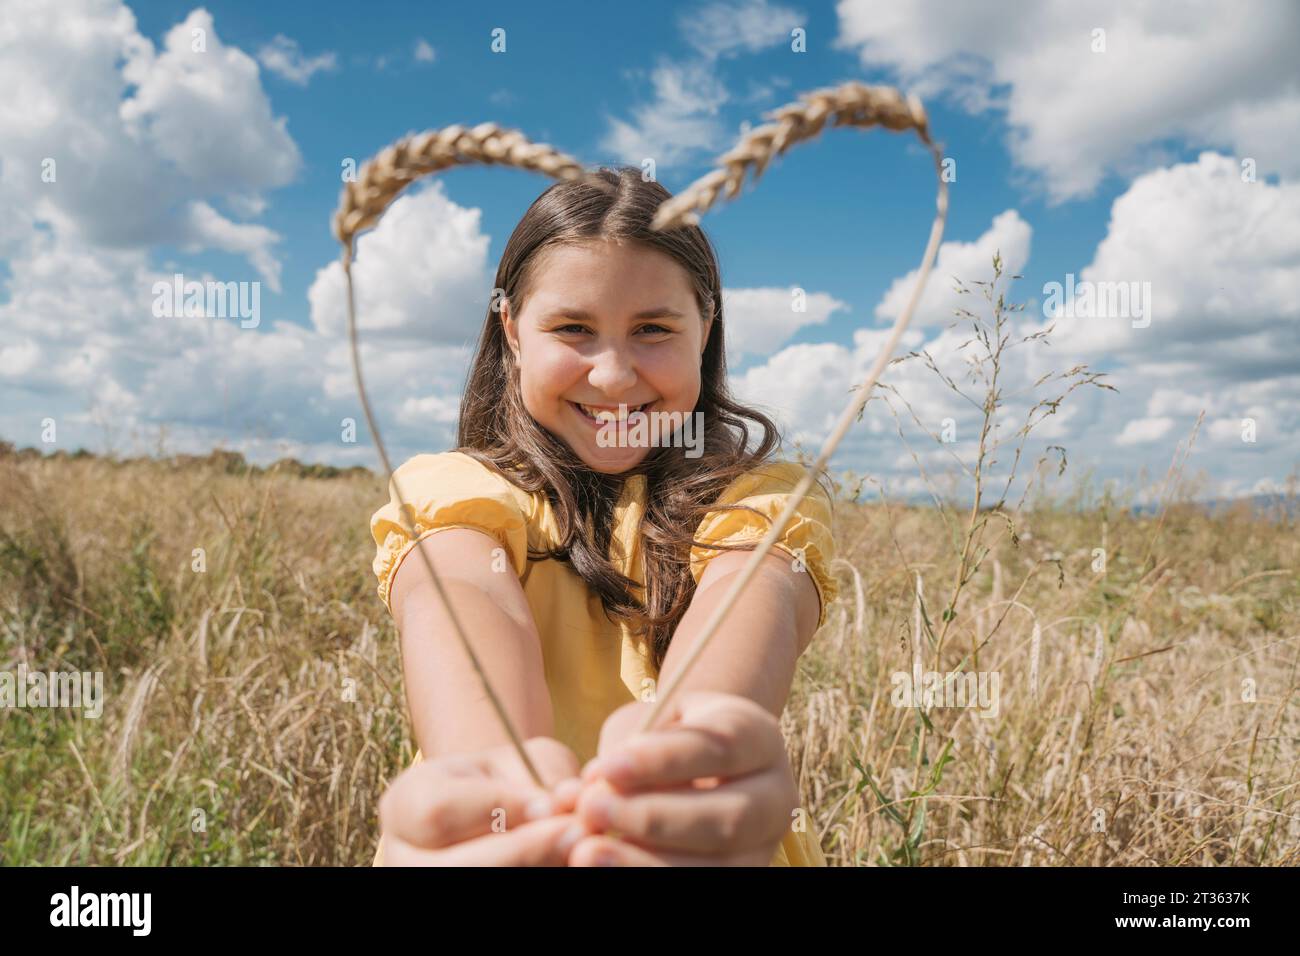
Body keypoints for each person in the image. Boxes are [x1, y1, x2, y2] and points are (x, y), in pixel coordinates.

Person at [368, 166, 839, 866]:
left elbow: (753, 600)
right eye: (573, 328)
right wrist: (506, 800)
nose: (614, 375)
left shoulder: (761, 503)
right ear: (513, 331)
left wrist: (683, 765)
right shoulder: (455, 497)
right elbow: (461, 597)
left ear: (705, 328)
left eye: (652, 328)